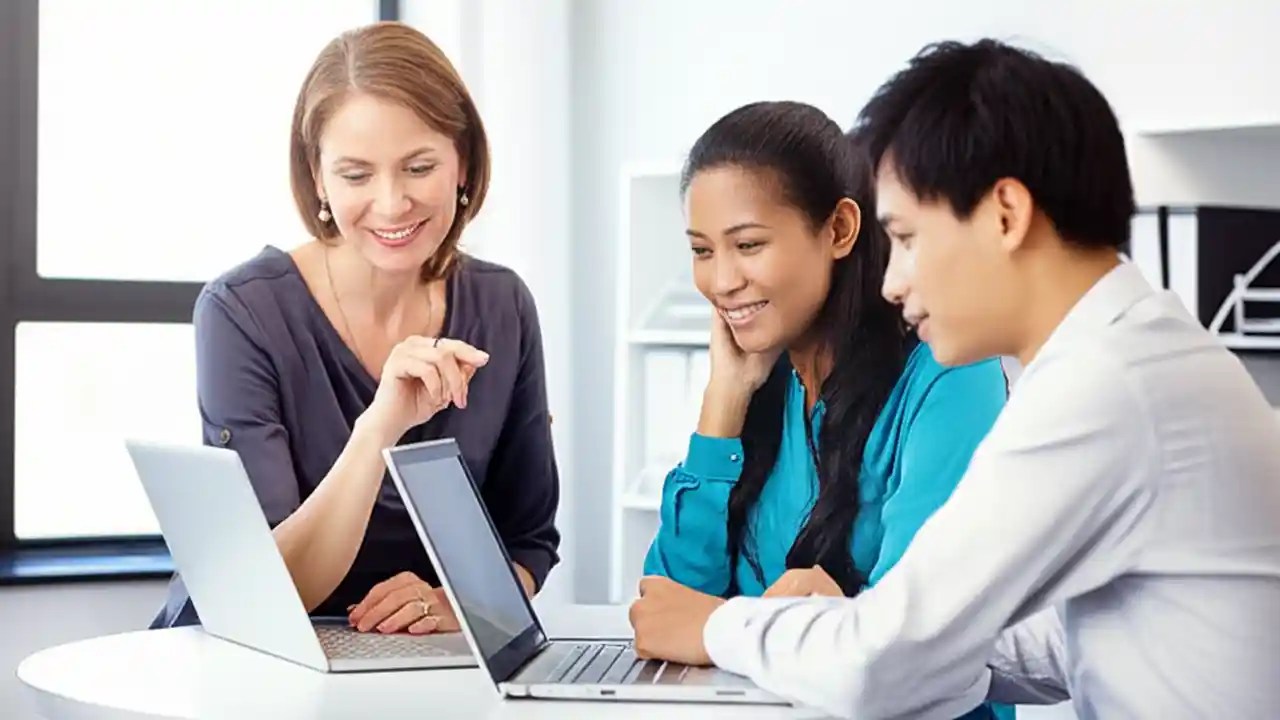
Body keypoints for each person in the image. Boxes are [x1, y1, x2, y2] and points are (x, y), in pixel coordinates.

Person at [629, 39, 1280, 720]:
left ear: (1005, 215)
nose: (893, 280)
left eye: (907, 239)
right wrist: (856, 621)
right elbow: (1056, 648)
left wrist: (717, 628)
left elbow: (888, 667)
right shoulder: (1126, 353)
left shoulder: (1106, 385)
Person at [150, 21, 561, 634]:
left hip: (412, 669)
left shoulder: (503, 305)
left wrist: (466, 604)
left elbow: (527, 540)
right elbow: (265, 590)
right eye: (356, 174)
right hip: (251, 657)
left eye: (419, 167)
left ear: (463, 163)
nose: (392, 203)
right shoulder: (242, 312)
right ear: (318, 177)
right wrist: (378, 430)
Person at [640, 101, 1010, 720]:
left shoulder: (951, 373)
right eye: (702, 251)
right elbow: (668, 607)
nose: (722, 280)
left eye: (749, 245)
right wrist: (722, 405)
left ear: (839, 229)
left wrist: (733, 626)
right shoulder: (767, 379)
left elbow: (908, 648)